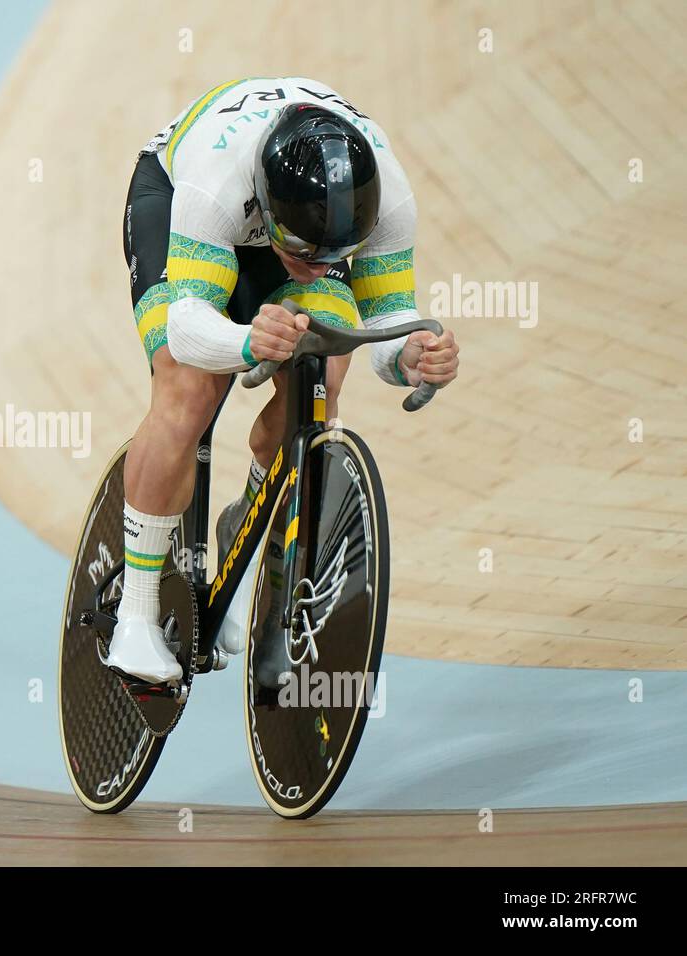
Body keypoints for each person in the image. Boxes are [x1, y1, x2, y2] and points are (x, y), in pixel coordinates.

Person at [109, 77, 460, 685]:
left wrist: (411, 355)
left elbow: (384, 322)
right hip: (174, 202)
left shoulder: (388, 198)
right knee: (189, 391)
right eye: (308, 253)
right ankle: (134, 618)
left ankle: (245, 513)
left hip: (281, 222)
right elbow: (190, 325)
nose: (322, 270)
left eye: (337, 257)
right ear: (272, 212)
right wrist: (247, 341)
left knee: (322, 372)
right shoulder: (213, 185)